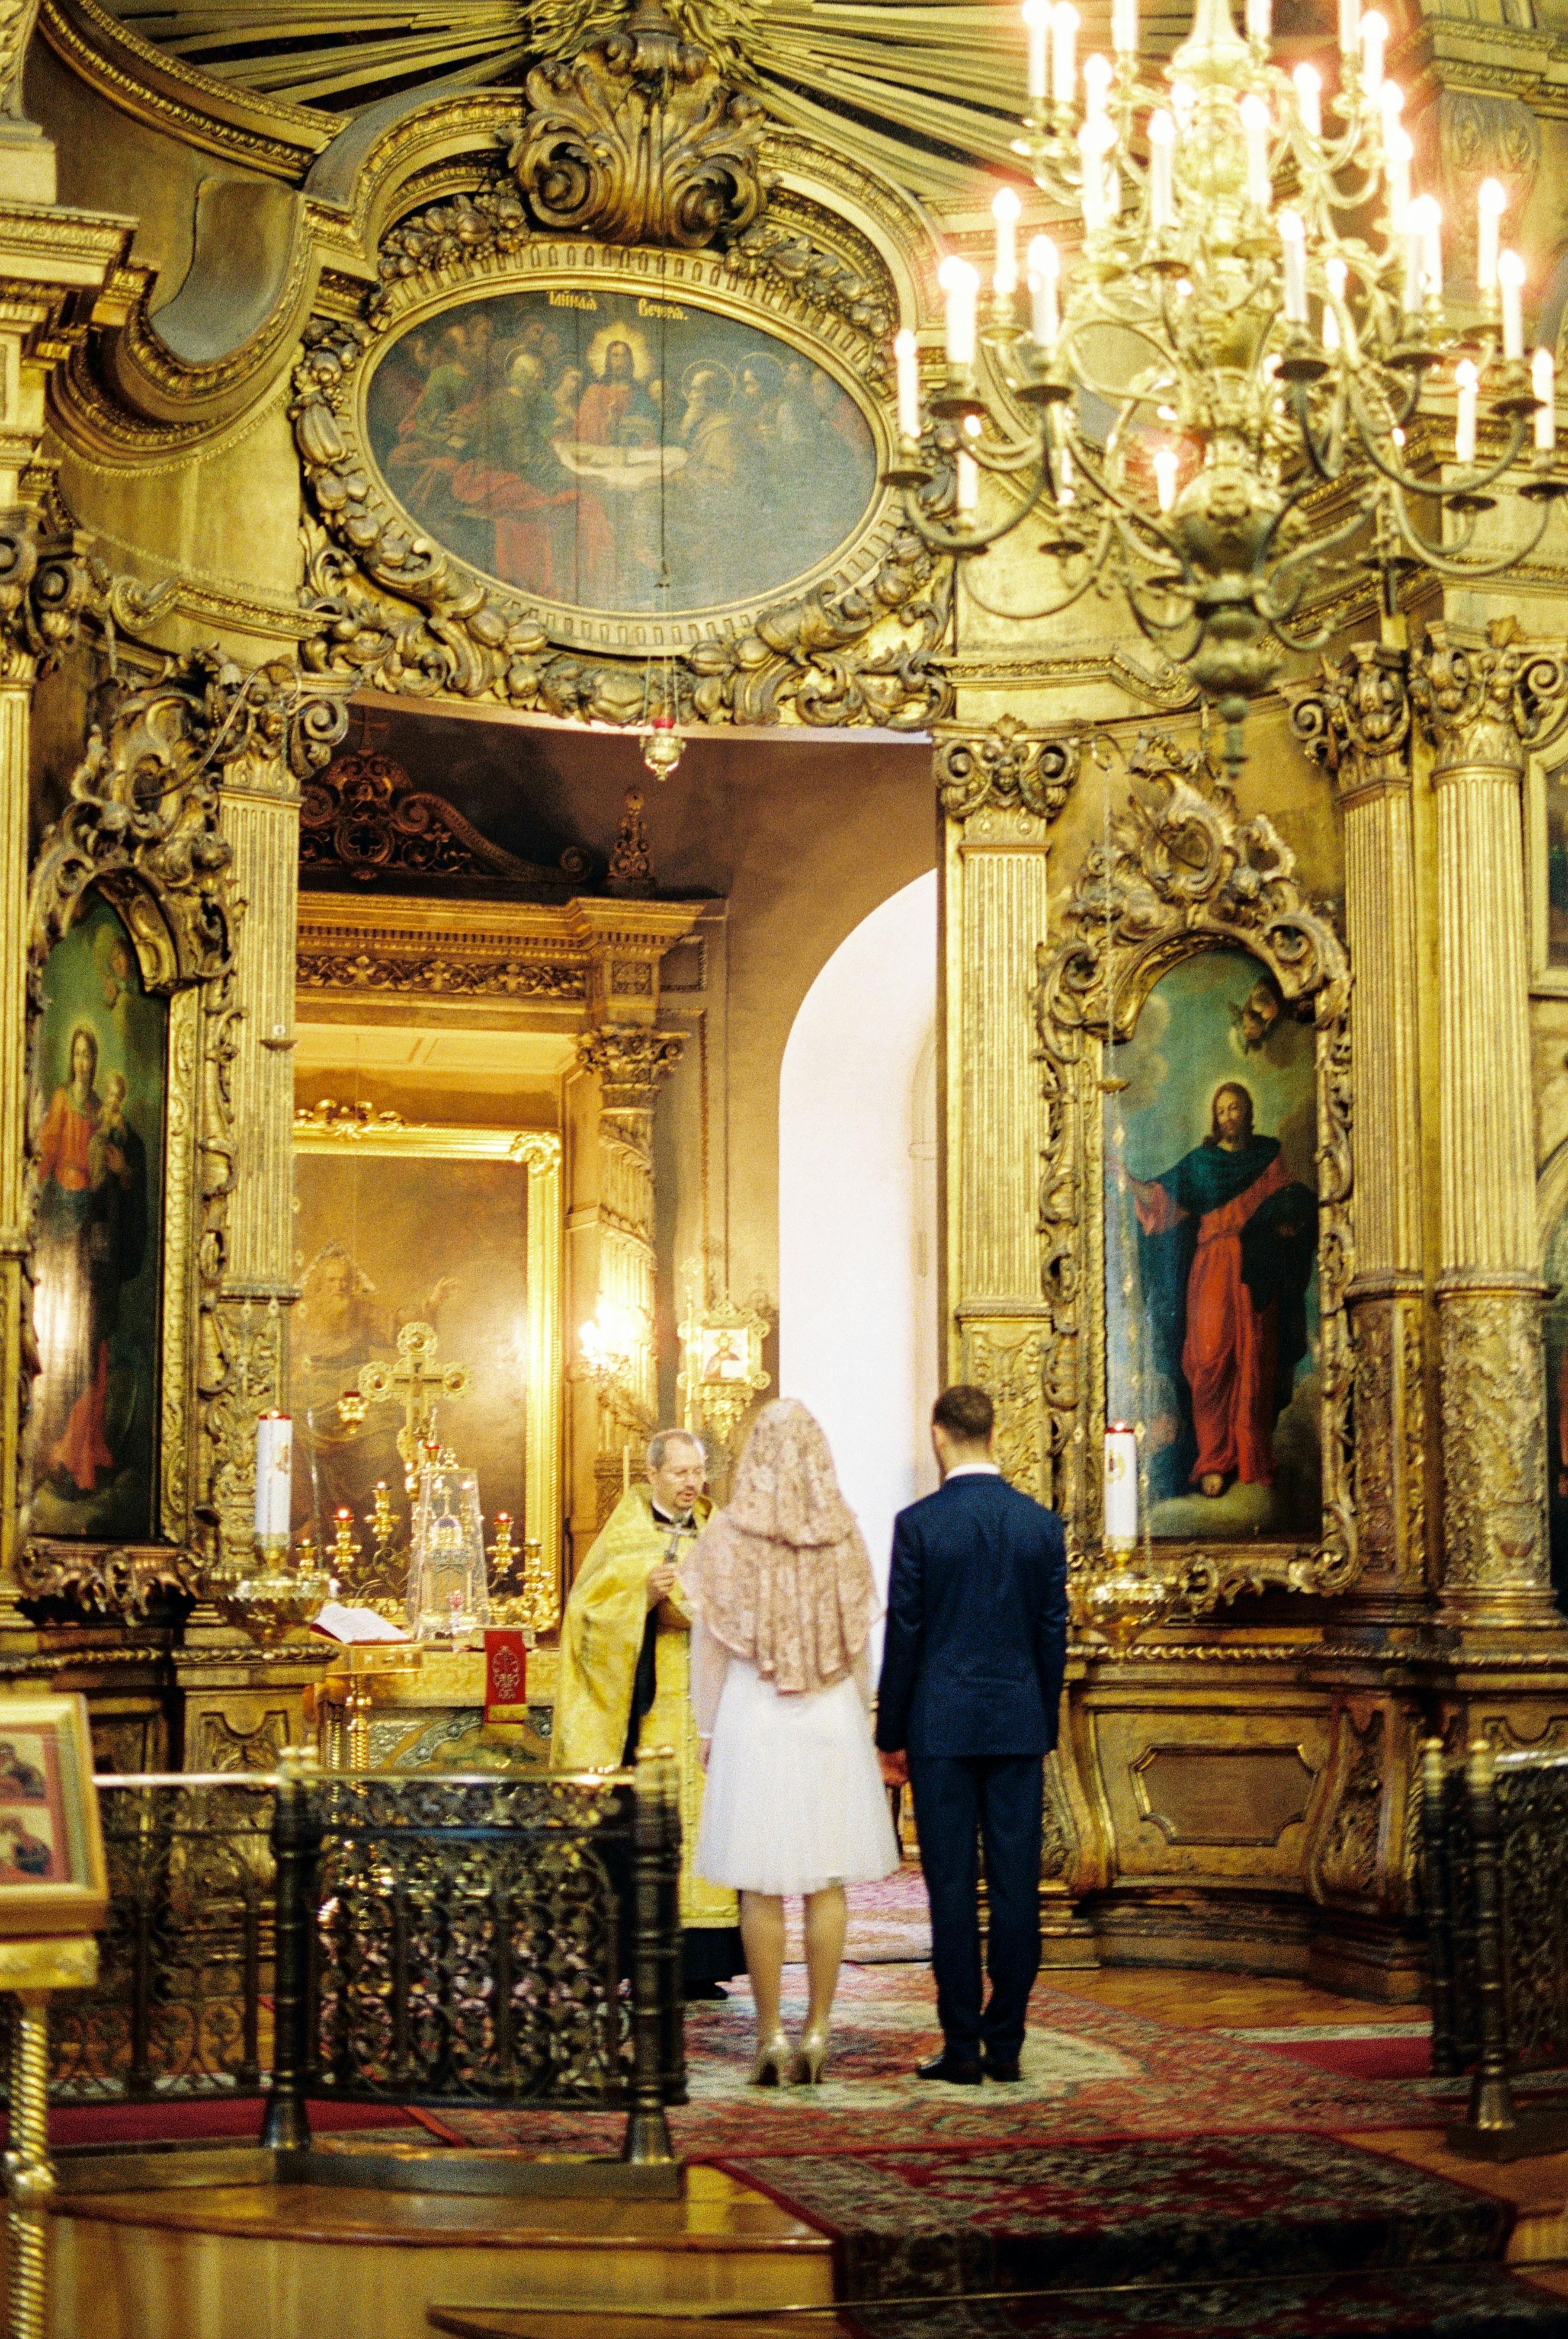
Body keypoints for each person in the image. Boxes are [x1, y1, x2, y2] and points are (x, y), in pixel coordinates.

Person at [684, 1400, 898, 2086]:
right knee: (826, 1878)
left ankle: (770, 2034)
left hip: (757, 1708)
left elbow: (710, 1647)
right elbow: (862, 1644)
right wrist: (861, 1710)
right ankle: (818, 2031)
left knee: (761, 1880)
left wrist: (709, 1728)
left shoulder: (727, 1535)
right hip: (829, 1709)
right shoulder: (844, 1537)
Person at [875, 1384, 1068, 2085]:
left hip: (941, 1729)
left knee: (950, 1887)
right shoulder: (1041, 1525)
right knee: (1017, 1886)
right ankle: (1007, 2042)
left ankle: (962, 2045)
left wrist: (889, 1731)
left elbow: (907, 1633)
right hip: (1018, 1724)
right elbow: (1054, 1636)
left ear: (939, 1435)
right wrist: (1040, 1720)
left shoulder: (920, 1523)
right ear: (994, 1432)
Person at [552, 1429, 742, 1997]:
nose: (692, 1483)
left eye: (698, 1472)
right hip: (649, 1708)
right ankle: (640, 1958)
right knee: (648, 1824)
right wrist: (643, 1598)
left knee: (708, 1823)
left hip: (710, 1708)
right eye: (681, 1473)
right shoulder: (626, 1534)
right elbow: (586, 1619)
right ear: (653, 1475)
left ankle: (700, 1964)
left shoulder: (719, 1532)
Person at [1121, 1080, 1317, 1500]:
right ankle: (1212, 1456)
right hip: (1211, 1265)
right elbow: (1161, 1200)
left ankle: (1249, 1455)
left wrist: (1288, 1221)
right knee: (1208, 1359)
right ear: (1216, 1117)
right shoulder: (1201, 1164)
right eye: (1222, 1109)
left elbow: (1293, 1203)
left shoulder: (1269, 1157)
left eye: (1236, 1108)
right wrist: (1126, 1178)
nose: (1229, 1116)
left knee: (1253, 1357)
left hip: (1254, 1268)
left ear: (1248, 1113)